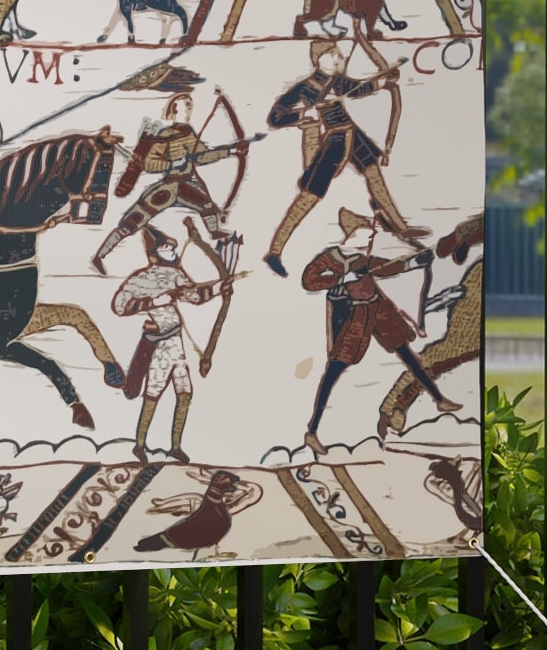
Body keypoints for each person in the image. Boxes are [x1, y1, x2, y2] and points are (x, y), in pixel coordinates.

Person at [300, 209, 460, 455]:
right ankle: (312, 431)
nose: (369, 241)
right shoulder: (330, 258)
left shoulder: (362, 259)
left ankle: (439, 400)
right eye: (366, 236)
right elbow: (308, 280)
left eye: (370, 237)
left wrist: (413, 263)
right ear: (351, 235)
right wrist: (342, 279)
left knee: (407, 355)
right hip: (354, 318)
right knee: (334, 371)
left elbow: (386, 268)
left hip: (378, 310)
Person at [263, 39, 423, 276]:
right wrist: (304, 113)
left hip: (351, 133)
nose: (338, 58)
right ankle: (275, 251)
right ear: (318, 59)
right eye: (332, 55)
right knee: (310, 195)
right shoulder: (305, 87)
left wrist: (384, 81)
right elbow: (275, 118)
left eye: (338, 54)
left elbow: (359, 88)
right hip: (332, 141)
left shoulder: (338, 81)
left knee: (374, 175)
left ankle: (401, 227)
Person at [92, 89, 249, 273]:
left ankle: (214, 232)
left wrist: (230, 151)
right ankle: (100, 256)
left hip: (187, 183)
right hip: (169, 186)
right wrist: (172, 163)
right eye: (185, 106)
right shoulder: (163, 136)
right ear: (174, 110)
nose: (189, 110)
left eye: (190, 106)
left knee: (206, 205)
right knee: (135, 218)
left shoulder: (188, 134)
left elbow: (202, 156)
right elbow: (149, 164)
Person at [110, 224, 224, 460]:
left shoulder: (176, 274)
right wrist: (152, 303)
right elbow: (119, 306)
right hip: (159, 345)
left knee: (185, 393)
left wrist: (218, 288)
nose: (172, 251)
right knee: (153, 393)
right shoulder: (141, 279)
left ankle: (176, 446)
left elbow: (193, 295)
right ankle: (140, 444)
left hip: (176, 342)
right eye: (165, 248)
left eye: (172, 247)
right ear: (153, 255)